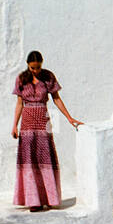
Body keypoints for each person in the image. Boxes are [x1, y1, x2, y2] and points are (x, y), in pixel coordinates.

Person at [11, 50, 82, 211]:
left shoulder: (48, 77)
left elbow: (56, 98)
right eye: (32, 68)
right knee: (29, 159)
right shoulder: (22, 79)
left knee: (45, 157)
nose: (35, 70)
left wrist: (69, 118)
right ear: (28, 65)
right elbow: (19, 103)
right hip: (27, 121)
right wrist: (14, 125)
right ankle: (33, 200)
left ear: (42, 64)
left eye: (37, 67)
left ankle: (49, 198)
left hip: (43, 118)